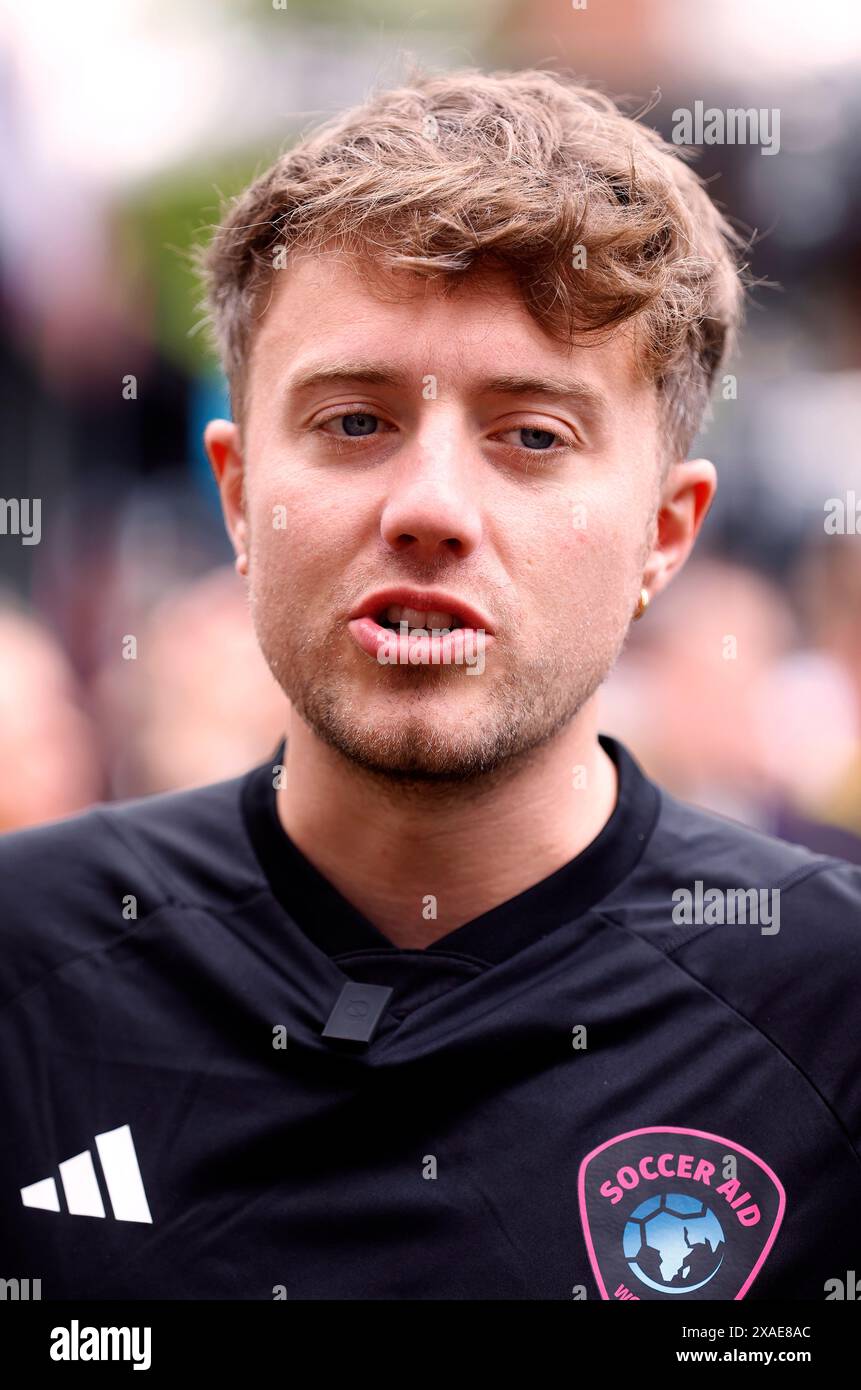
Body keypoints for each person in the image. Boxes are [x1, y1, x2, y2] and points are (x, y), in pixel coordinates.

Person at [2, 67, 859, 1302]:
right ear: (240, 496)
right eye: (355, 423)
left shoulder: (830, 1004)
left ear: (665, 535)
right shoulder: (26, 961)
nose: (430, 510)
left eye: (533, 435)